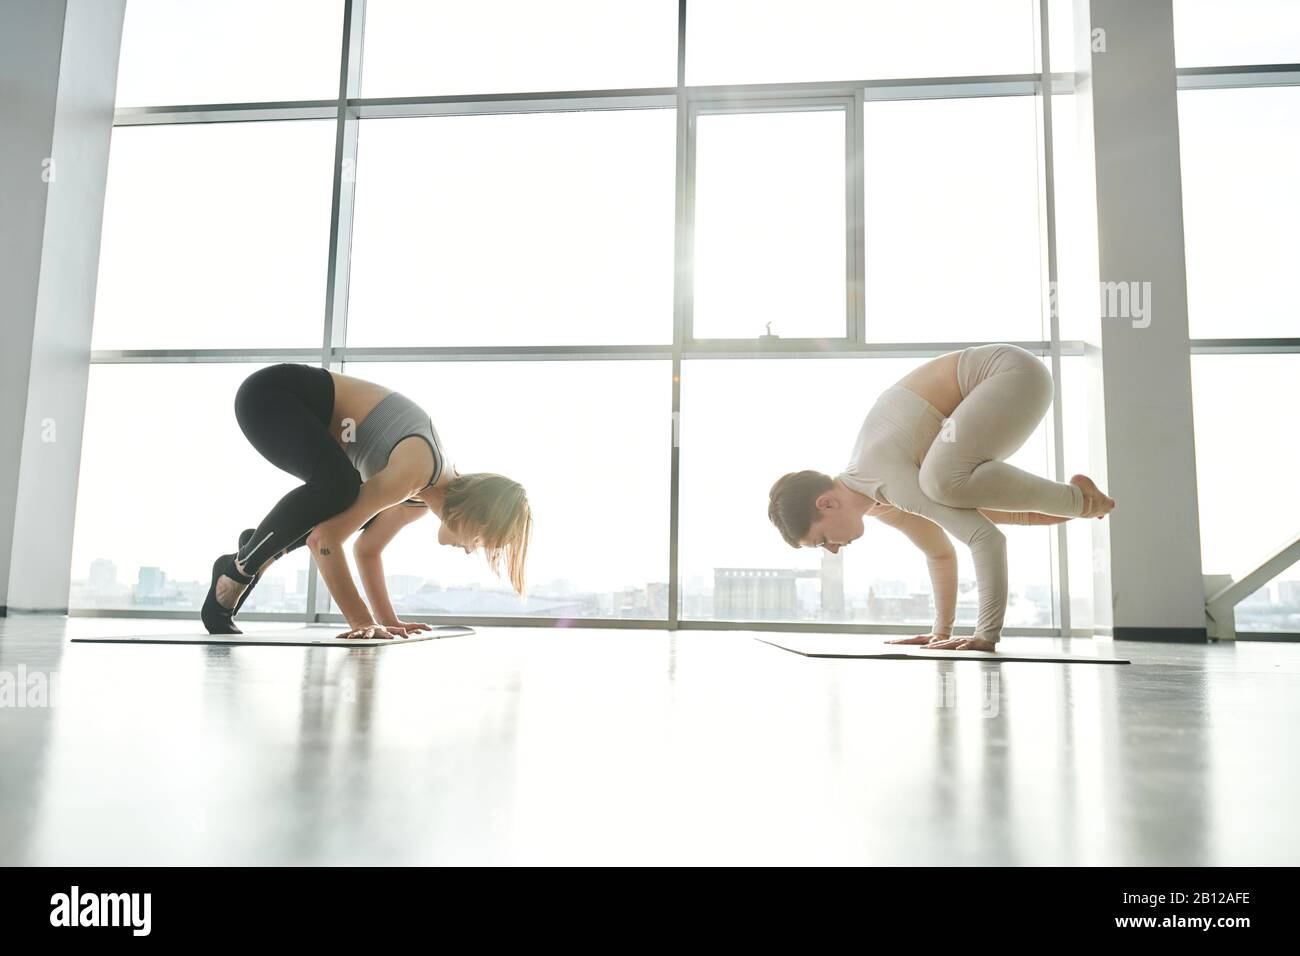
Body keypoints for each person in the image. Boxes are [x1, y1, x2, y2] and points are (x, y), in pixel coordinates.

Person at [767, 343, 1114, 651]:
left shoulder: (884, 478)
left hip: (1010, 373)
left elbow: (985, 538)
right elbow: (942, 552)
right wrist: (940, 632)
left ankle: (1080, 499)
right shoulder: (880, 501)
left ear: (826, 503)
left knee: (941, 481)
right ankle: (1081, 500)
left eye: (822, 540)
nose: (832, 549)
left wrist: (985, 636)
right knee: (946, 484)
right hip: (1011, 380)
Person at [201, 362, 531, 638]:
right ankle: (239, 571)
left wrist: (388, 622)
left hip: (298, 415)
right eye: (481, 539)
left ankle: (259, 547)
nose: (471, 548)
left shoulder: (418, 498)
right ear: (477, 514)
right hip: (272, 396)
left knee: (348, 500)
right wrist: (361, 622)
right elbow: (325, 539)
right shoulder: (419, 469)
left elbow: (367, 550)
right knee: (340, 488)